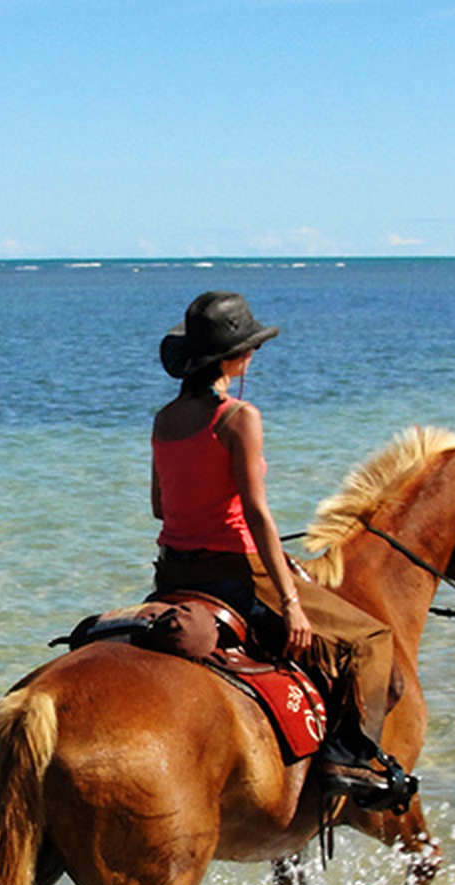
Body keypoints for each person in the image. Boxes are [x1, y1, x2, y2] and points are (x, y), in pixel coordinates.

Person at [150, 290, 417, 809]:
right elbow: (256, 512)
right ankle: (348, 759)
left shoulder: (164, 419)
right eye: (249, 346)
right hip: (238, 576)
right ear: (236, 358)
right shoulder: (238, 417)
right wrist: (292, 602)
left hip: (174, 576)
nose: (253, 355)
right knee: (372, 640)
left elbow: (161, 506)